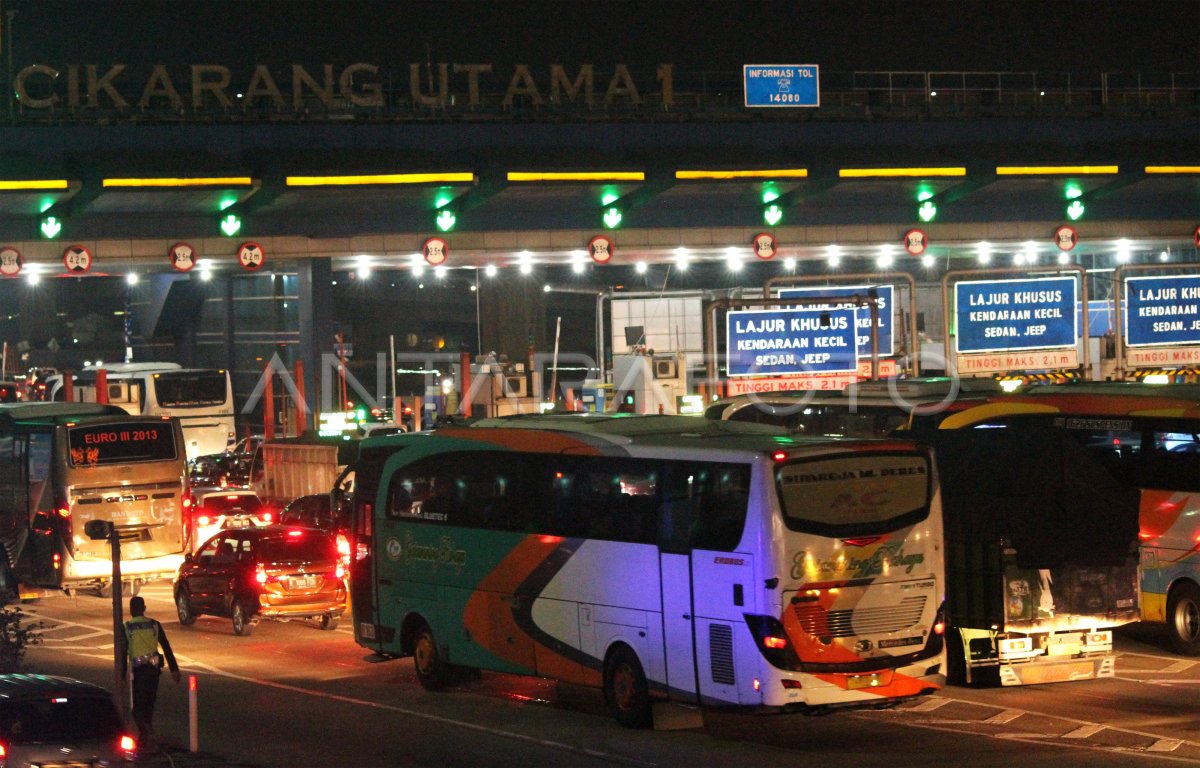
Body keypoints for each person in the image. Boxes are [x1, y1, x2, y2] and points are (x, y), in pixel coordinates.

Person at [122, 595, 181, 746]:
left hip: (139, 673)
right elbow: (166, 646)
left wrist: (121, 676)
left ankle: (146, 734)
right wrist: (174, 669)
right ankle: (146, 736)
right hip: (154, 672)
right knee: (149, 704)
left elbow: (123, 652)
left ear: (130, 610)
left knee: (137, 709)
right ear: (144, 609)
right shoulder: (154, 624)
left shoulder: (127, 627)